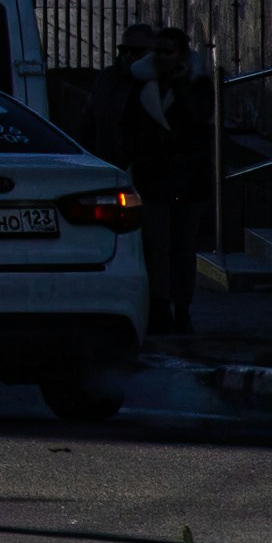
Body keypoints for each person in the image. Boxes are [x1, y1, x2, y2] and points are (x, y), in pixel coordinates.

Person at [95, 24, 218, 334]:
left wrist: (183, 85)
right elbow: (128, 128)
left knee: (183, 247)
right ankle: (161, 307)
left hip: (189, 181)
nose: (161, 58)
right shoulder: (141, 84)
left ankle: (182, 308)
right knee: (157, 246)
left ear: (182, 54)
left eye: (168, 52)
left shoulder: (197, 84)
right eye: (157, 52)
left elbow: (198, 120)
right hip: (155, 179)